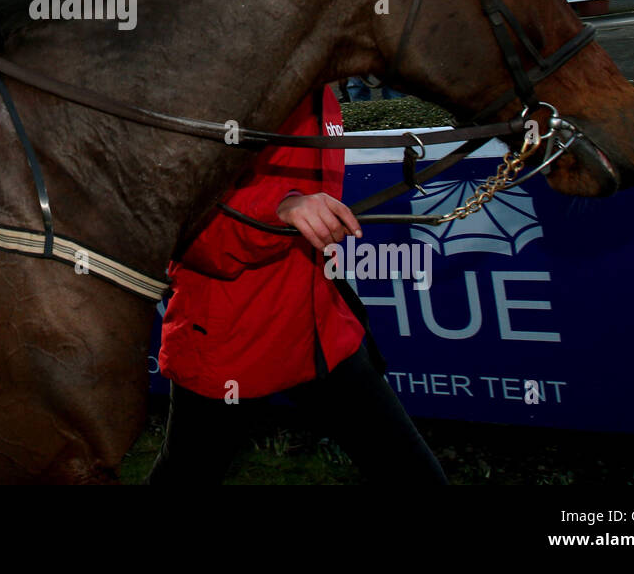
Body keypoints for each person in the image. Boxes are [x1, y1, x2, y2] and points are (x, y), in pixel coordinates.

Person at [148, 86, 446, 485]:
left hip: (325, 338)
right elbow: (188, 231)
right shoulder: (224, 84)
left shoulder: (322, 92)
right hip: (228, 346)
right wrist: (281, 208)